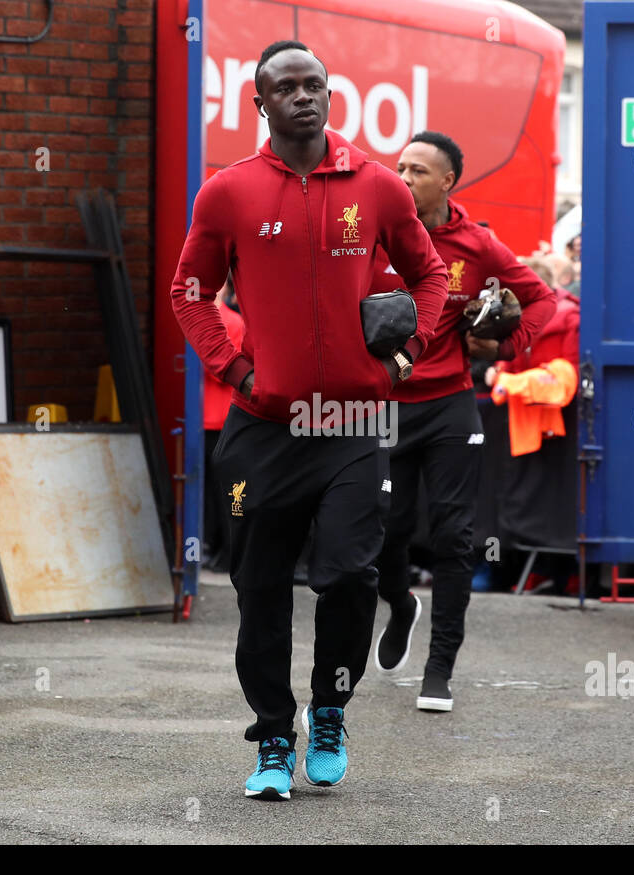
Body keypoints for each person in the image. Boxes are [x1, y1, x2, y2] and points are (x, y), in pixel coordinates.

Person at [171, 40, 447, 799]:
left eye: (315, 85)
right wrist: (233, 370)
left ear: (331, 94)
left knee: (350, 576)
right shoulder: (227, 193)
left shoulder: (379, 188)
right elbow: (189, 293)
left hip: (354, 422)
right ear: (260, 104)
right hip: (262, 428)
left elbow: (429, 275)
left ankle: (330, 710)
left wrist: (410, 349)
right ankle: (271, 739)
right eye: (285, 88)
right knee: (259, 587)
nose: (303, 96)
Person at [368, 131, 553, 711]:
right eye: (398, 167)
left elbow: (542, 300)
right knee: (385, 534)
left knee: (454, 537)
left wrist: (503, 349)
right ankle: (400, 604)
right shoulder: (372, 235)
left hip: (450, 404)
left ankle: (439, 669)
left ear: (448, 181)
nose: (403, 177)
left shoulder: (476, 246)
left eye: (418, 170)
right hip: (386, 406)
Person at [201, 277, 244, 572]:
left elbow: (225, 370)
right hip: (203, 419)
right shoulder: (221, 320)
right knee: (207, 489)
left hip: (219, 418)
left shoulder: (233, 322)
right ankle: (210, 545)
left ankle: (225, 549)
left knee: (224, 490)